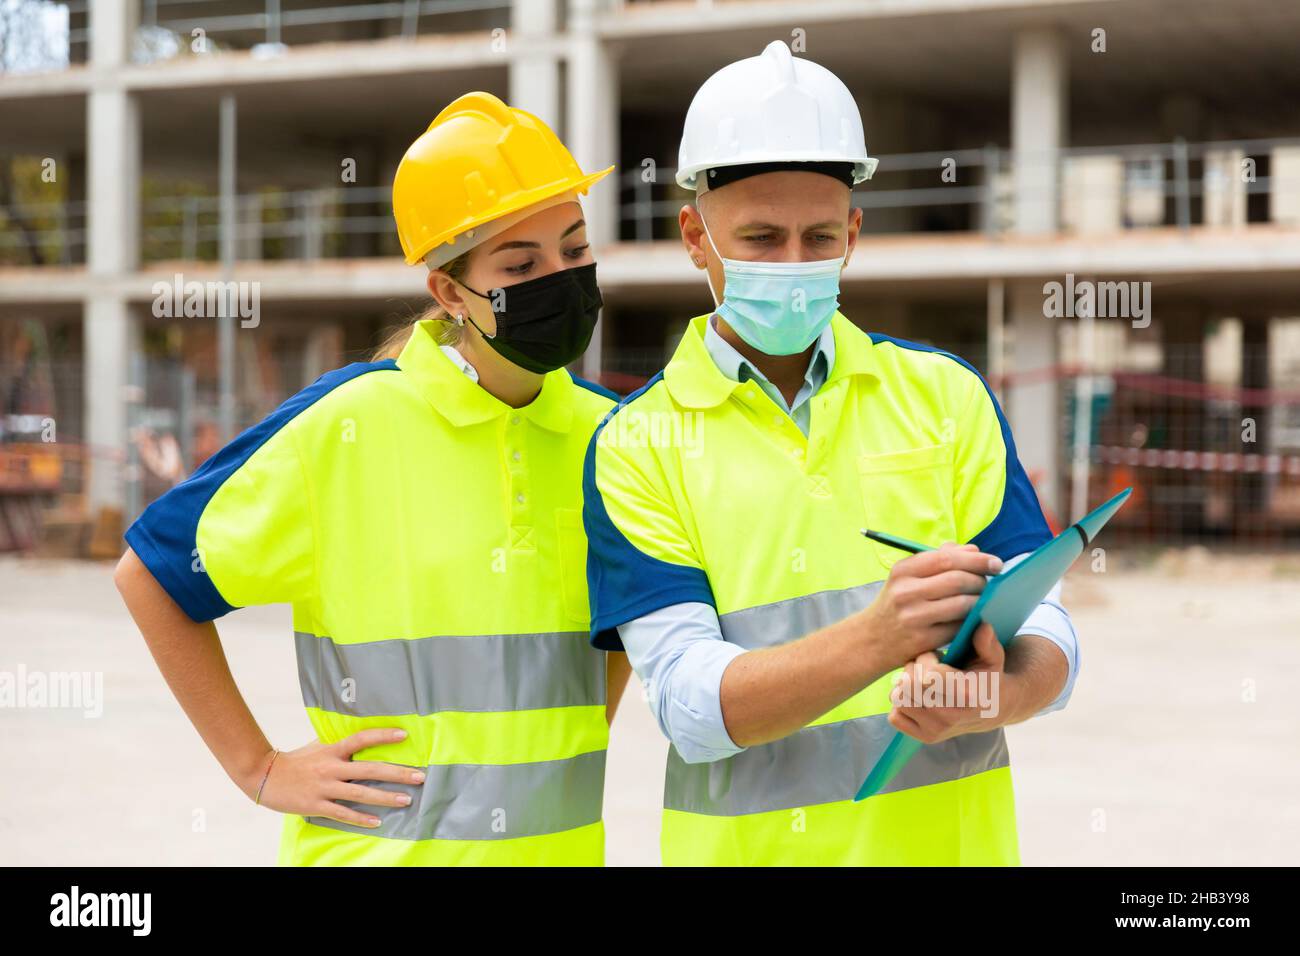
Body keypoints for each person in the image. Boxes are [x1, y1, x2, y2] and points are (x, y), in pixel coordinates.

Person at [582, 42, 1078, 865]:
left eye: (818, 238)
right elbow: (690, 709)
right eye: (761, 238)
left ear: (854, 232)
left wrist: (990, 696)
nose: (793, 265)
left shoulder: (946, 396)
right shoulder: (636, 445)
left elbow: (1049, 629)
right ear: (694, 237)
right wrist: (878, 639)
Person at [115, 91, 630, 865]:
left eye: (575, 249)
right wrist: (258, 769)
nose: (560, 277)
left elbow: (619, 633)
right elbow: (151, 573)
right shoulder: (344, 425)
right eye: (520, 264)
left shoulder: (612, 438)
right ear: (450, 293)